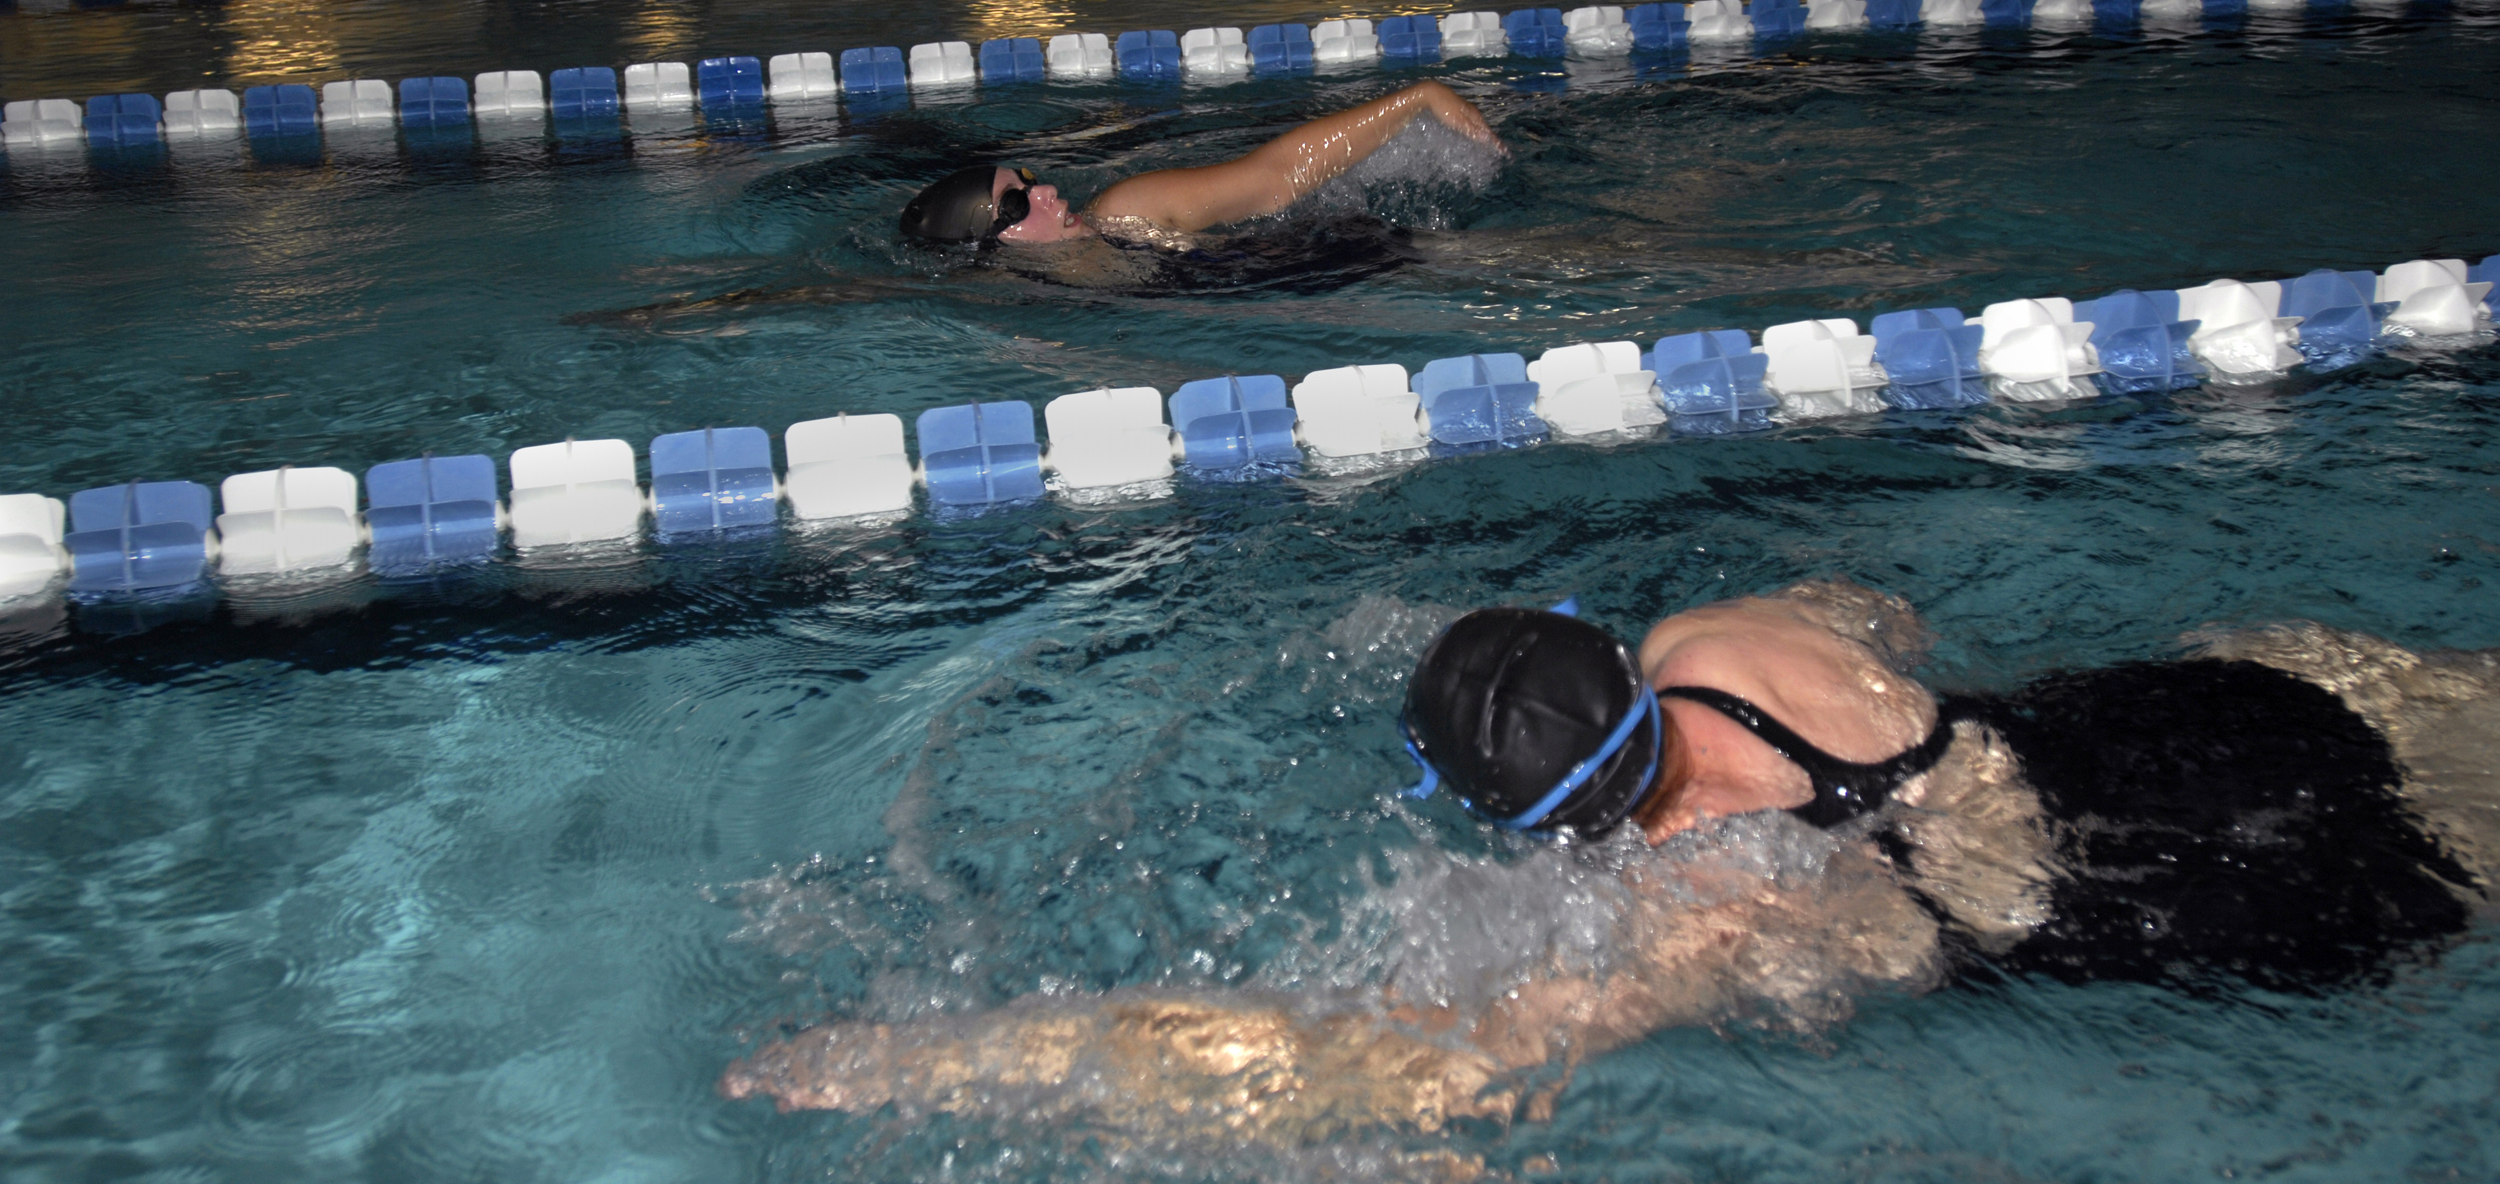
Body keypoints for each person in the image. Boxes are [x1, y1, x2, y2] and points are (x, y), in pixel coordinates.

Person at [719, 583, 2498, 1139]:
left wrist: (940, 1054)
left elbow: (1408, 1069)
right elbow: (1882, 612)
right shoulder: (1716, 640)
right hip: (2164, 721)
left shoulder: (1727, 906)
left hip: (2183, 880)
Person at [895, 79, 1501, 248]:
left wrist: (1416, 99)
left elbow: (1278, 175)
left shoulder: (1130, 211)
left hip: (1369, 251)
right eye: (1017, 203)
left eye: (1030, 181)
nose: (1048, 189)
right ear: (987, 246)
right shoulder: (1026, 320)